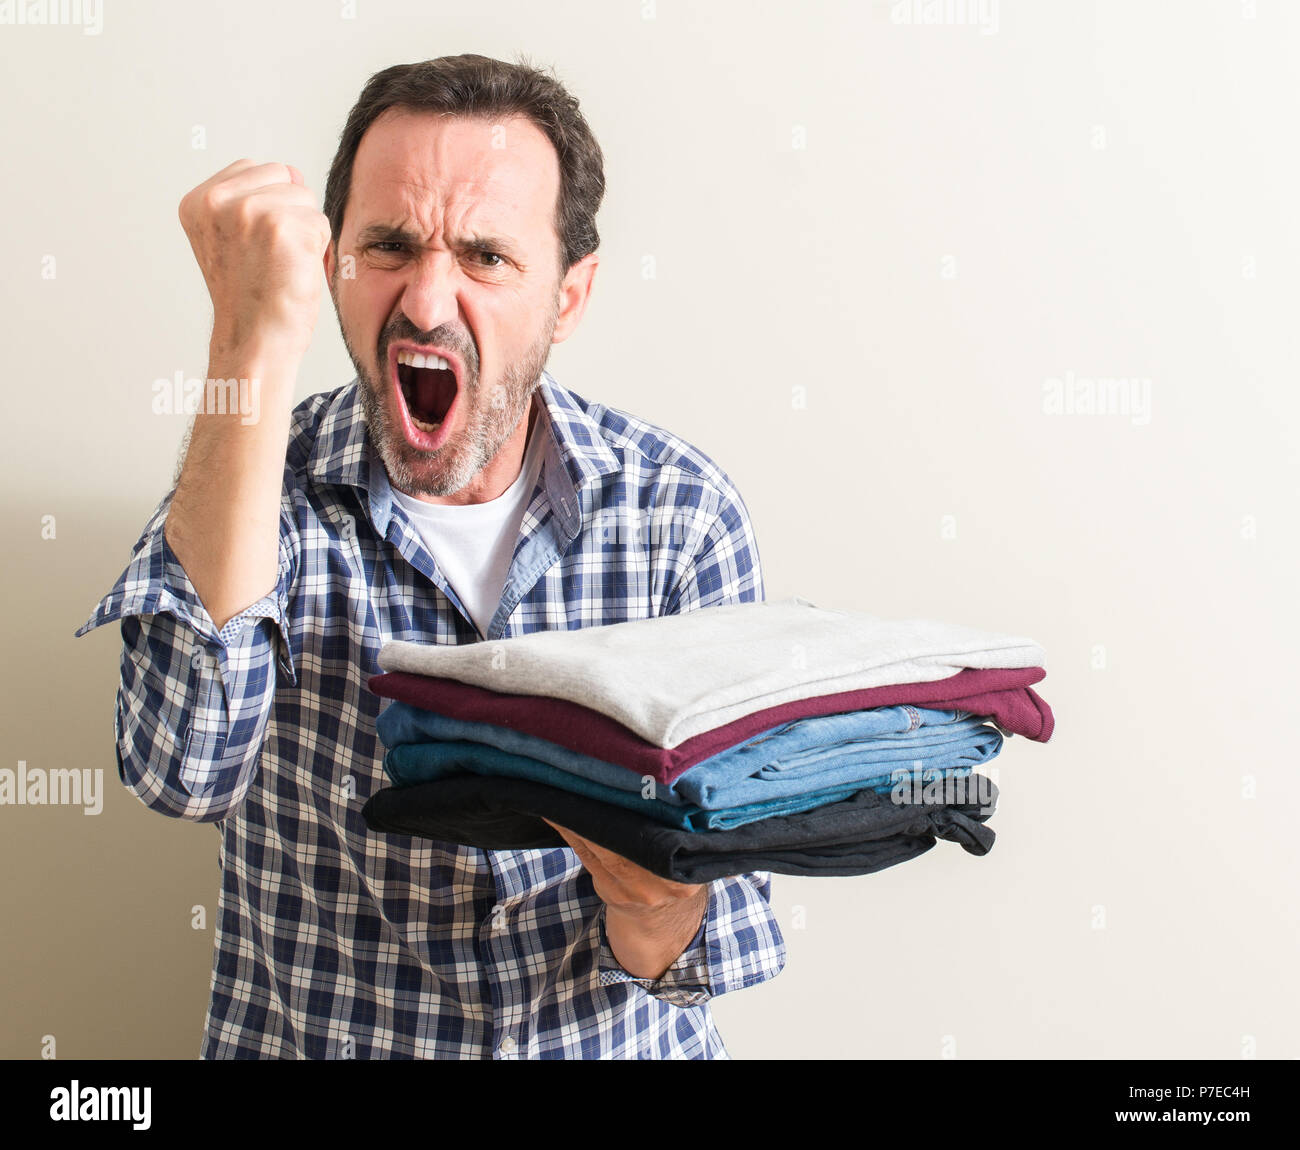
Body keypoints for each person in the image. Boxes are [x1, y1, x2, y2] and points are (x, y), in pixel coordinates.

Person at [76, 53, 785, 1060]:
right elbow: (179, 770)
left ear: (568, 297)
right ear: (333, 267)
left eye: (485, 255)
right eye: (390, 246)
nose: (425, 299)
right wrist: (246, 339)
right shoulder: (252, 482)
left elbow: (718, 948)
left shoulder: (682, 516)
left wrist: (655, 909)